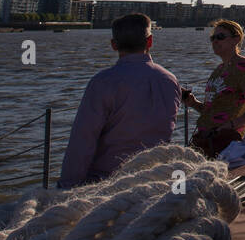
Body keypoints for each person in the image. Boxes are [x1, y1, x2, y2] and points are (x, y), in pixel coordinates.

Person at [59, 13, 180, 188]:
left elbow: (83, 141)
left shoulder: (103, 82)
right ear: (150, 41)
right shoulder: (169, 80)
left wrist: (66, 188)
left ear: (114, 45)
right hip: (155, 179)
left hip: (105, 182)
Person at [184, 19, 245, 158]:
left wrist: (230, 126)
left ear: (236, 39)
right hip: (205, 141)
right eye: (213, 38)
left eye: (220, 37)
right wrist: (193, 103)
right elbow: (213, 111)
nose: (215, 41)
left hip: (226, 144)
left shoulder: (244, 66)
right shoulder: (218, 70)